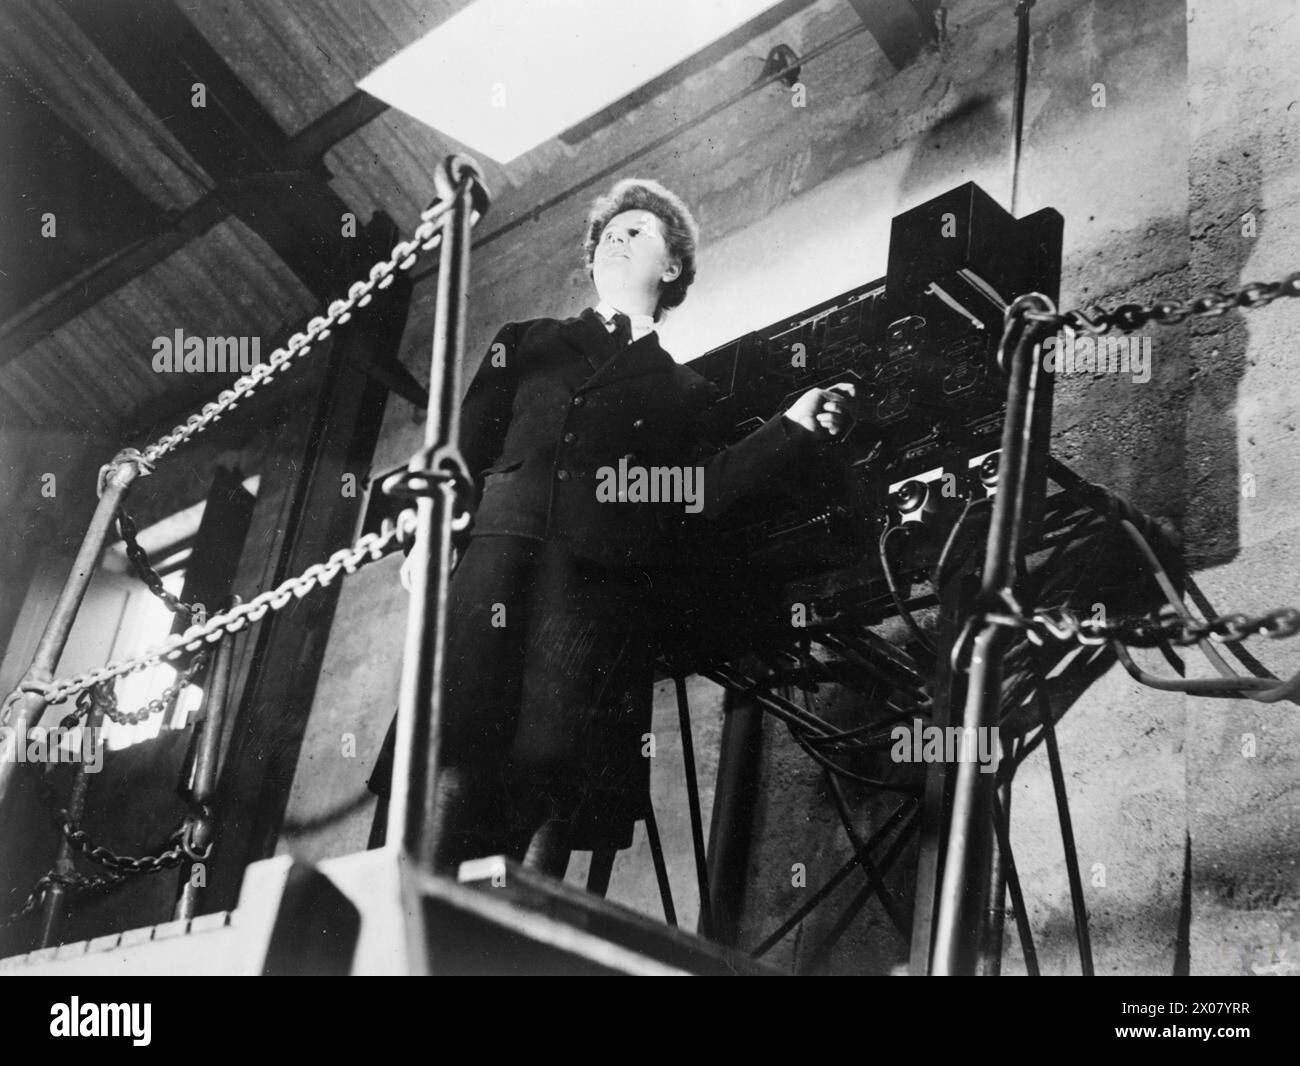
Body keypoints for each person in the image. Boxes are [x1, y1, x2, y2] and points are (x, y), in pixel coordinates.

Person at [368, 178, 855, 876]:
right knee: (446, 760)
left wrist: (792, 426)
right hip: (493, 570)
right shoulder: (528, 341)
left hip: (593, 597)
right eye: (608, 234)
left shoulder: (686, 393)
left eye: (637, 233)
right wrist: (427, 527)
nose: (615, 241)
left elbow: (699, 493)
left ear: (673, 267)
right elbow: (463, 448)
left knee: (550, 788)